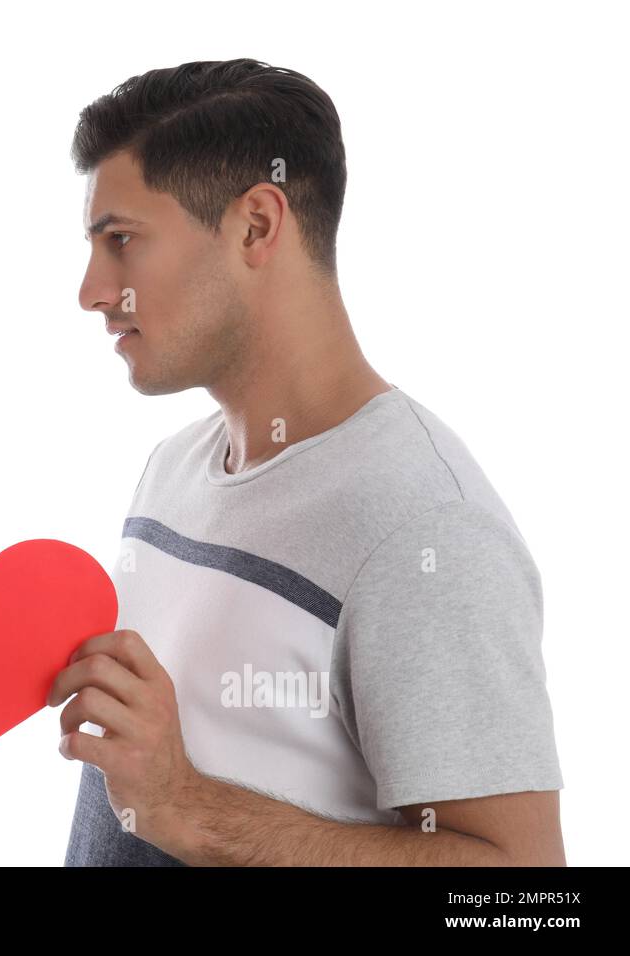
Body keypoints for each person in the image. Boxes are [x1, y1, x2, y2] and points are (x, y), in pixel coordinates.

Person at [50, 59, 565, 865]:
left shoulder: (423, 530)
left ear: (257, 225)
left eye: (121, 240)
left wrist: (191, 808)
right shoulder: (172, 472)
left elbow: (520, 896)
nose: (90, 289)